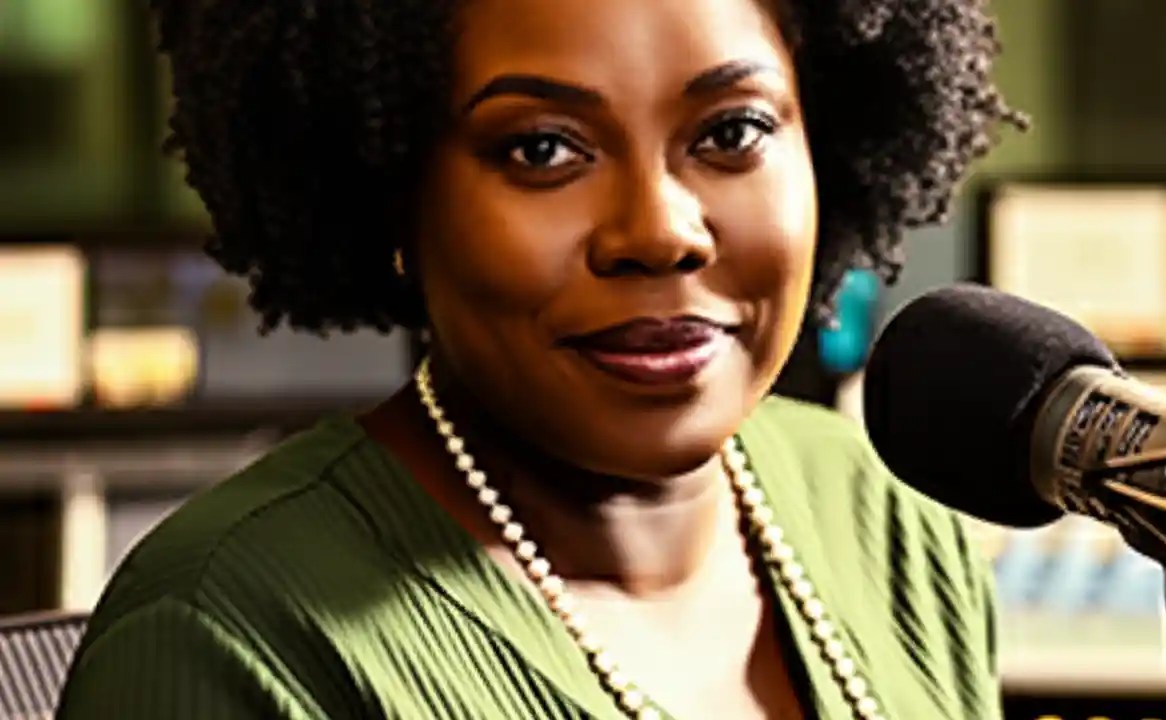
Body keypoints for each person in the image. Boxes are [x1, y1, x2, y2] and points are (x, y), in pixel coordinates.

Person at [58, 0, 1023, 717]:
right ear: (393, 190)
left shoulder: (883, 517)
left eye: (731, 133)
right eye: (542, 151)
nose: (659, 231)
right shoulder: (227, 636)